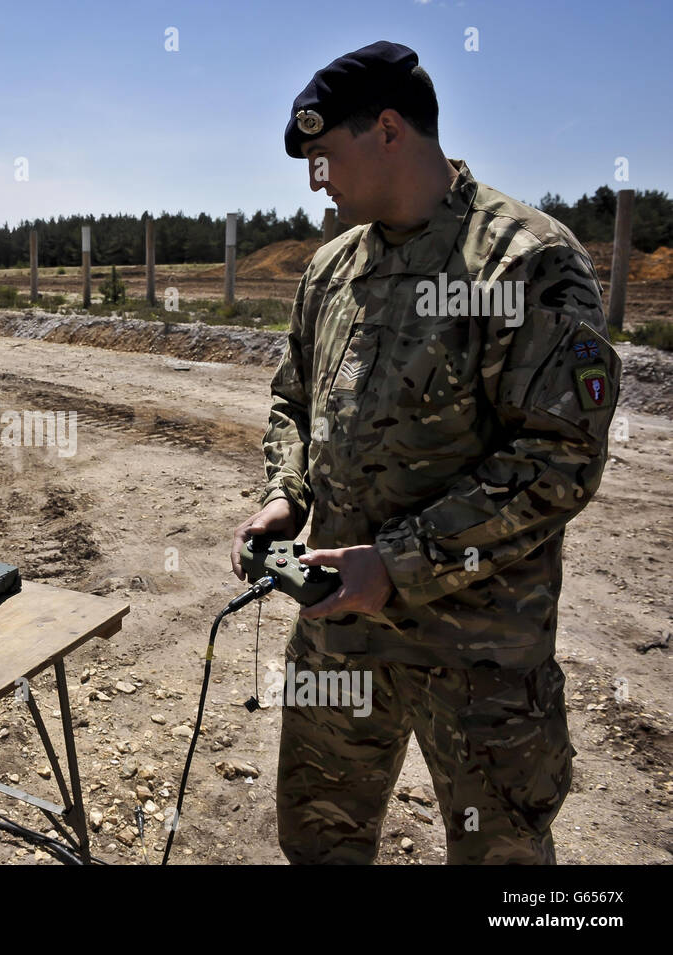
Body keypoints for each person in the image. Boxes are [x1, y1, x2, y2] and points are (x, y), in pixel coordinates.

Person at [230, 40, 622, 864]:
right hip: (341, 634)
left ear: (388, 129)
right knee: (319, 842)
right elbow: (291, 400)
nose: (318, 182)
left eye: (325, 157)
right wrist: (283, 493)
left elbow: (560, 463)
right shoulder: (332, 269)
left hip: (479, 653)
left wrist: (398, 564)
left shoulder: (528, 261)